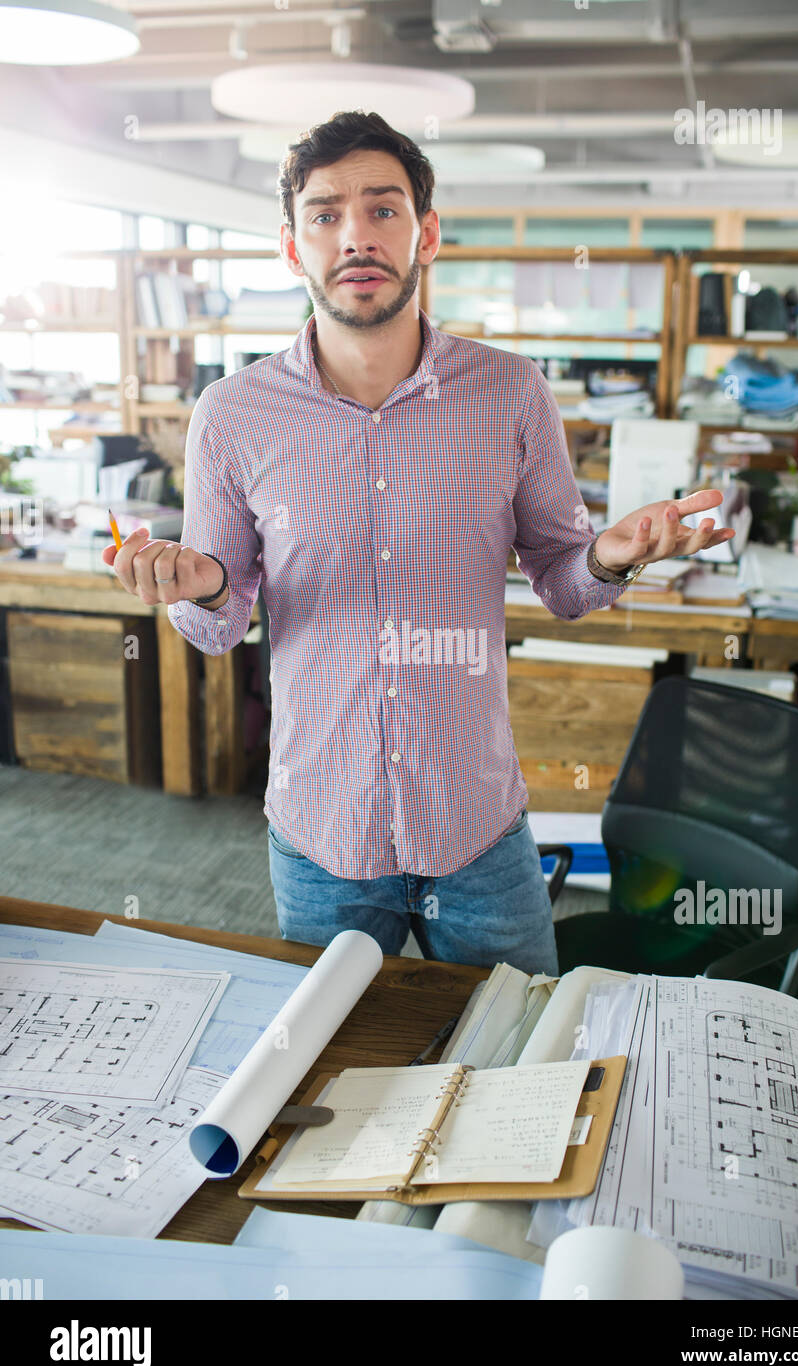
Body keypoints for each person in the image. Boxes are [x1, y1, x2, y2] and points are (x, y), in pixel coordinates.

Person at [103, 110, 734, 976]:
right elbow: (220, 620)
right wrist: (198, 585)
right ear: (293, 248)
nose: (355, 235)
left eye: (383, 209)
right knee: (330, 1080)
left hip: (475, 823)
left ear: (426, 232)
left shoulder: (511, 392)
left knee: (522, 1068)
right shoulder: (231, 415)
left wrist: (608, 556)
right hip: (324, 830)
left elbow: (562, 579)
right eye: (324, 214)